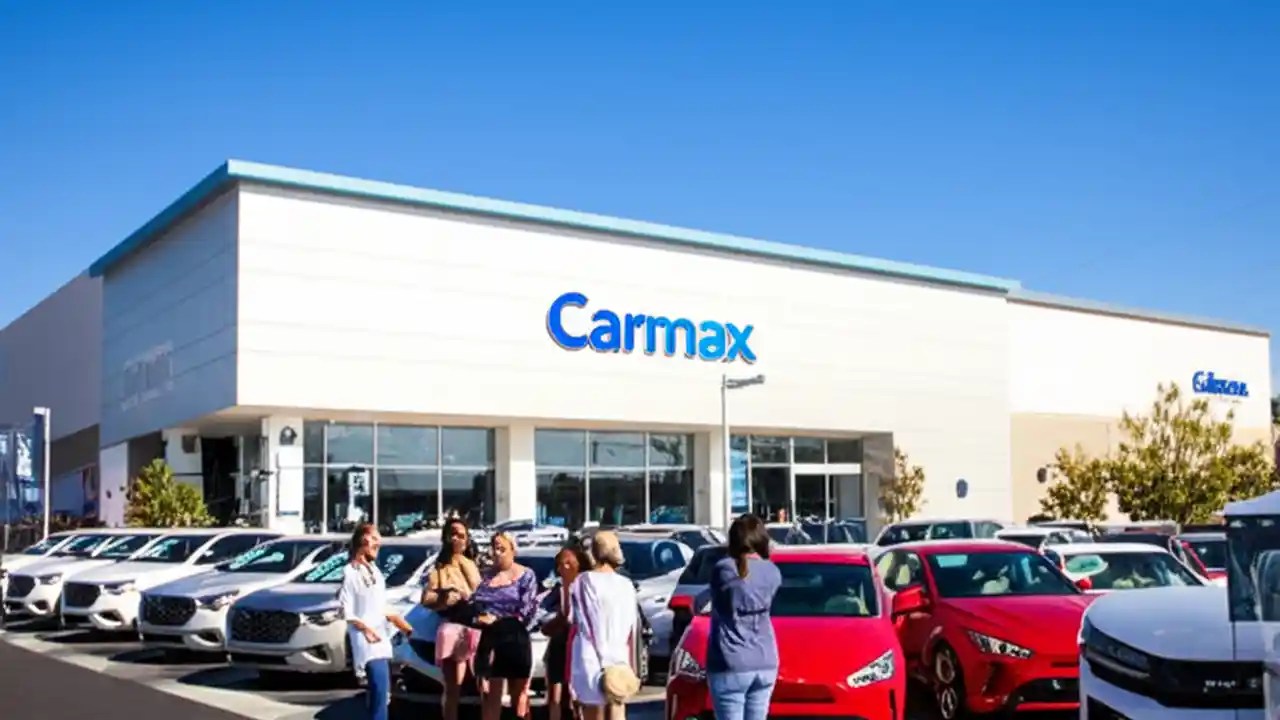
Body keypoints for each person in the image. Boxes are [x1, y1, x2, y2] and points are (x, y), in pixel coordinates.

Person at [706, 514, 781, 720]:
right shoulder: (773, 571)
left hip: (730, 660)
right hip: (765, 659)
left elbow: (713, 599)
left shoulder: (724, 569)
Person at [337, 522, 414, 720]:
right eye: (375, 541)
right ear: (363, 541)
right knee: (379, 692)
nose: (378, 546)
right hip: (367, 643)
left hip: (381, 641)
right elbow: (347, 611)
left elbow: (383, 607)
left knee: (382, 697)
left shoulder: (375, 572)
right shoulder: (350, 572)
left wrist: (405, 628)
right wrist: (366, 629)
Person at [569, 530, 639, 720]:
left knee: (594, 712)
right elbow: (632, 626)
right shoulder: (626, 584)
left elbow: (581, 620)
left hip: (592, 658)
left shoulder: (583, 581)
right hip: (619, 657)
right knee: (617, 710)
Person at [471, 532, 540, 720]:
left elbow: (527, 611)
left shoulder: (526, 575)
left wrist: (499, 620)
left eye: (502, 548)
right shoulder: (485, 577)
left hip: (514, 640)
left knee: (519, 697)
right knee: (490, 696)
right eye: (494, 548)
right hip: (489, 641)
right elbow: (474, 605)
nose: (497, 553)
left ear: (513, 550)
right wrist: (478, 618)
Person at [421, 518, 482, 720]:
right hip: (453, 627)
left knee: (485, 685)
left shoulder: (473, 563)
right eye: (452, 534)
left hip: (477, 627)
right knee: (452, 687)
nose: (456, 539)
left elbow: (480, 591)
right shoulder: (439, 568)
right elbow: (426, 598)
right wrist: (443, 598)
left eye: (461, 535)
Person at [542, 545, 590, 720]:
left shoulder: (586, 586)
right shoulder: (556, 590)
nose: (565, 567)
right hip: (560, 642)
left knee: (576, 694)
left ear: (579, 563)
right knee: (554, 693)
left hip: (579, 643)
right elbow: (544, 617)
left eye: (569, 562)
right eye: (561, 564)